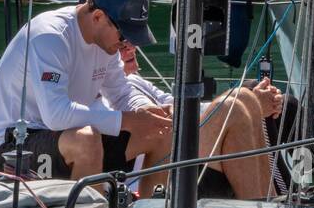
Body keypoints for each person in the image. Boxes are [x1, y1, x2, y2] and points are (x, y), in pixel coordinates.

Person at [0, 0, 172, 198]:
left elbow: (121, 92)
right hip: (11, 146)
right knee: (86, 140)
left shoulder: (105, 44)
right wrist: (129, 120)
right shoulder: (51, 36)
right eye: (124, 35)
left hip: (64, 138)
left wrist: (152, 113)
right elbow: (56, 115)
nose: (127, 44)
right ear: (98, 17)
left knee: (160, 131)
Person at [116, 40, 289, 199]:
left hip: (178, 163)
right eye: (120, 46)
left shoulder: (133, 82)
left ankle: (269, 205)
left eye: (130, 41)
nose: (131, 48)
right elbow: (162, 118)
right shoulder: (107, 98)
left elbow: (178, 105)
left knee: (245, 97)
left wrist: (252, 99)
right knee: (234, 106)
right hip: (153, 185)